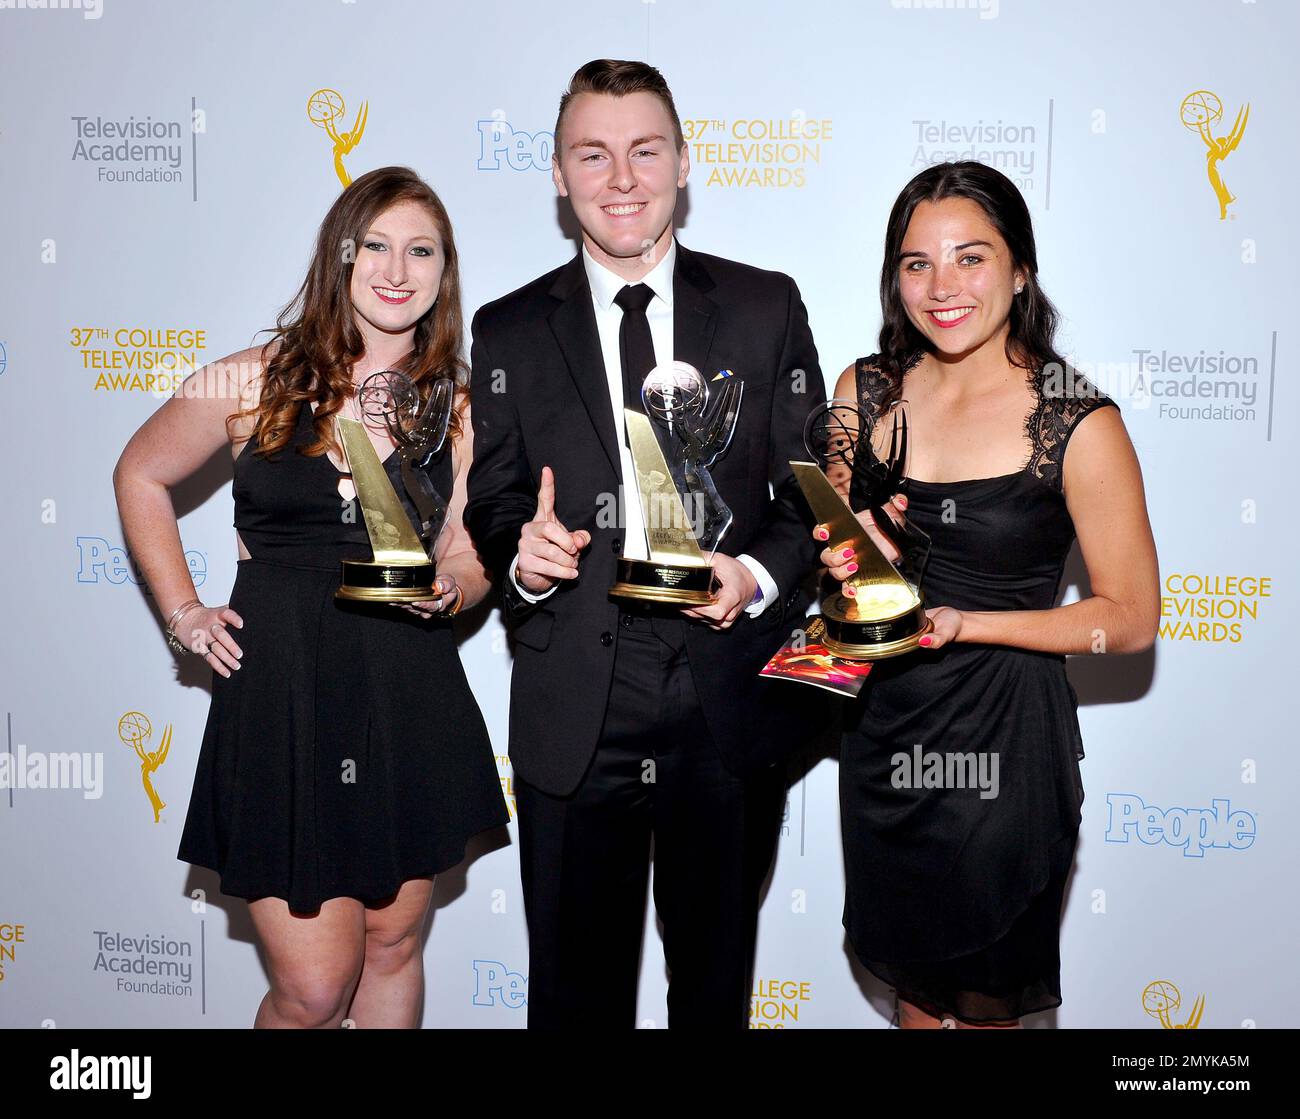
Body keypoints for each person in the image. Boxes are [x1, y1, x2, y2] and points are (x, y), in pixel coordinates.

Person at [464, 59, 826, 1029]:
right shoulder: (506, 330)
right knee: (575, 1005)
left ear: (682, 162)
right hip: (577, 702)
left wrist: (750, 573)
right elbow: (493, 502)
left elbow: (811, 497)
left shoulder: (764, 309)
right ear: (556, 173)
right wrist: (520, 557)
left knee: (712, 997)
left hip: (724, 696)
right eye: (593, 154)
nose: (620, 178)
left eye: (643, 151)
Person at [113, 166, 509, 1028]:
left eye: (421, 251)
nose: (396, 270)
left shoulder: (461, 406)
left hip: (407, 691)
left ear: (445, 273)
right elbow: (139, 472)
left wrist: (452, 588)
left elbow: (470, 552)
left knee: (395, 946)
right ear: (340, 254)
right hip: (284, 696)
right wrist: (184, 611)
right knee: (314, 989)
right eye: (375, 245)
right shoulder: (255, 379)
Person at [816, 161, 1158, 1029]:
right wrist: (855, 548)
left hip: (1006, 743)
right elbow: (840, 568)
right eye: (917, 262)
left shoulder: (1079, 419)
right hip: (885, 736)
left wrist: (974, 623)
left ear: (1020, 270)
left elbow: (1129, 618)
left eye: (971, 258)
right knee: (917, 1004)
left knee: (985, 1002)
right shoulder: (866, 391)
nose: (943, 286)